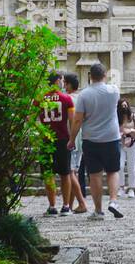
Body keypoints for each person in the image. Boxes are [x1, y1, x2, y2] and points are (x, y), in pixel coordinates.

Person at [68, 62, 125, 220]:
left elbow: (77, 120)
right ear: (104, 75)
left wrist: (72, 139)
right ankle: (113, 200)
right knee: (113, 171)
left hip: (91, 138)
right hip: (111, 137)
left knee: (95, 175)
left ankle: (98, 210)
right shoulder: (114, 91)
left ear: (90, 76)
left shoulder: (84, 95)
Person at [38, 72, 74, 217]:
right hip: (63, 138)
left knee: (48, 172)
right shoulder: (66, 99)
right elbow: (71, 120)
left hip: (47, 139)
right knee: (65, 173)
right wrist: (73, 138)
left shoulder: (40, 98)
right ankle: (66, 206)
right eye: (61, 81)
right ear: (58, 81)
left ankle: (52, 206)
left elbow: (30, 117)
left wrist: (41, 131)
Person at [62, 73, 89, 213]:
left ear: (69, 84)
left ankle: (82, 203)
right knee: (74, 172)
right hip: (81, 137)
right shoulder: (81, 97)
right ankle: (71, 204)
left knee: (70, 171)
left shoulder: (68, 99)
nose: (63, 85)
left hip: (71, 137)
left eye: (65, 83)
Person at [118, 97, 135, 197]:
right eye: (122, 106)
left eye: (125, 105)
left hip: (133, 144)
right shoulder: (117, 118)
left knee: (131, 167)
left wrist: (130, 131)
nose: (124, 107)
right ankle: (121, 187)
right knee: (120, 166)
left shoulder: (134, 116)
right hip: (121, 144)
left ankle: (131, 188)